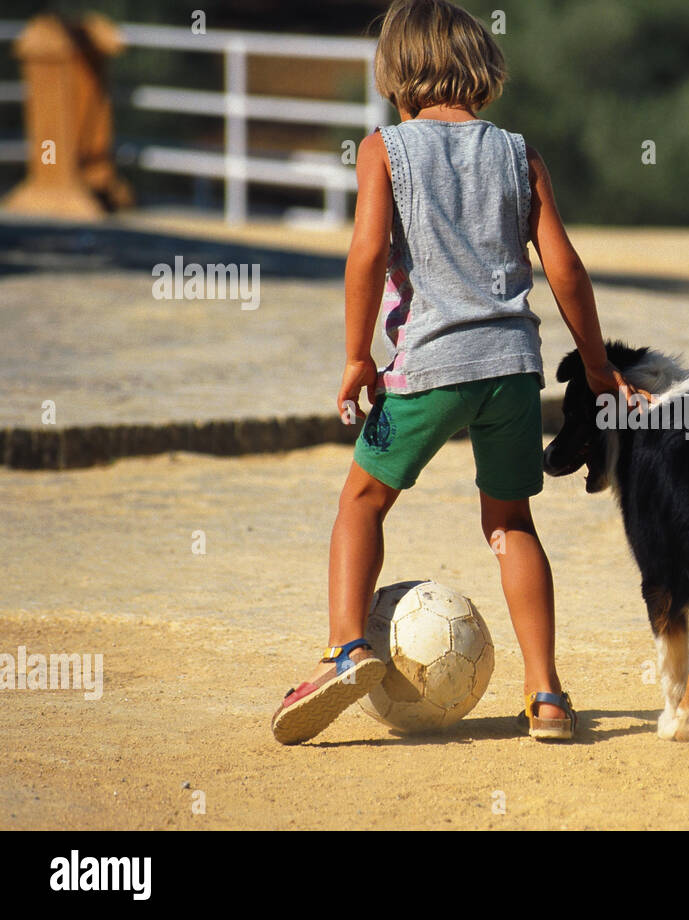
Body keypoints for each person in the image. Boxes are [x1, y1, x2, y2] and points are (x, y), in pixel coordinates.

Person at [272, 0, 644, 745]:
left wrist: (356, 357)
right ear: (481, 67)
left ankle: (347, 646)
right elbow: (564, 267)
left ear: (397, 72)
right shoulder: (515, 152)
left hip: (428, 367)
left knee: (363, 502)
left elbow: (367, 254)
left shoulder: (385, 150)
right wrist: (598, 366)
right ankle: (547, 696)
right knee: (510, 524)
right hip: (511, 368)